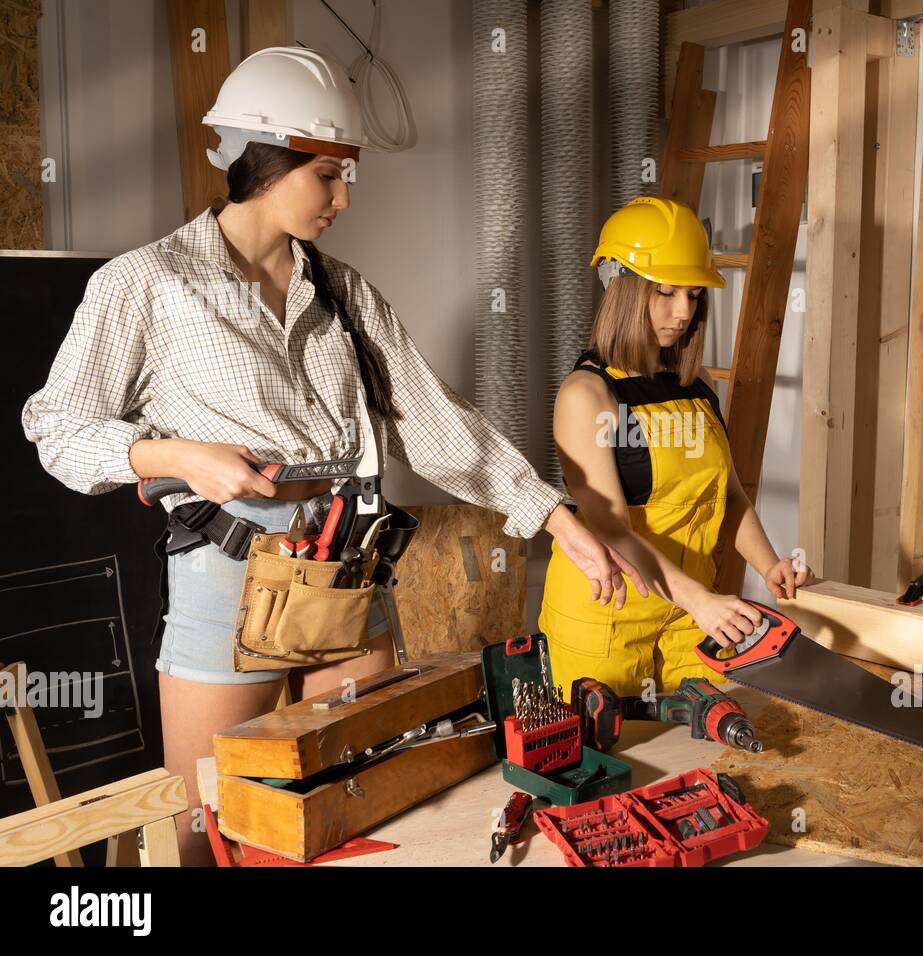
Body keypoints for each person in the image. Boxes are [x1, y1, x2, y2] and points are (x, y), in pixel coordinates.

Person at [20, 46, 643, 866]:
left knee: (359, 806)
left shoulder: (346, 292)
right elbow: (55, 426)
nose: (345, 197)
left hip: (350, 567)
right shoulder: (147, 284)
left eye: (348, 175)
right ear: (262, 162)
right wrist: (173, 453)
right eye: (327, 174)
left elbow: (434, 420)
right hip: (230, 571)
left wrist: (558, 520)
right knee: (205, 830)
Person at [538, 197, 813, 701]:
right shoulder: (587, 394)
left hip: (690, 612)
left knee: (706, 749)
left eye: (693, 294)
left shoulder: (696, 385)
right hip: (611, 616)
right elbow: (609, 524)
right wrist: (701, 601)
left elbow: (728, 497)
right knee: (610, 761)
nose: (683, 311)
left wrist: (769, 565)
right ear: (623, 289)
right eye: (665, 292)